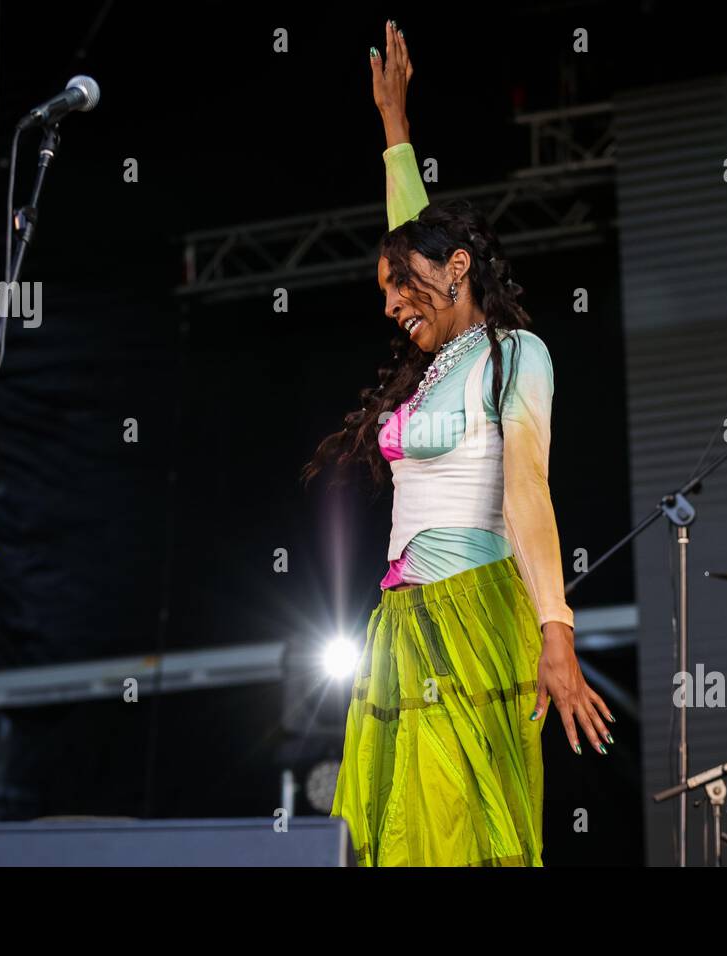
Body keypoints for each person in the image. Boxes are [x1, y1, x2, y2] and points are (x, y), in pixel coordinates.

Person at [302, 21, 613, 866]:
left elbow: (527, 492)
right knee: (402, 828)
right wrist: (396, 133)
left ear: (460, 269)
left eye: (403, 286)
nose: (393, 303)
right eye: (385, 289)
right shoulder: (439, 361)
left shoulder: (515, 357)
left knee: (458, 824)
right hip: (402, 620)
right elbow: (416, 235)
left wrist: (557, 629)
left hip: (473, 610)